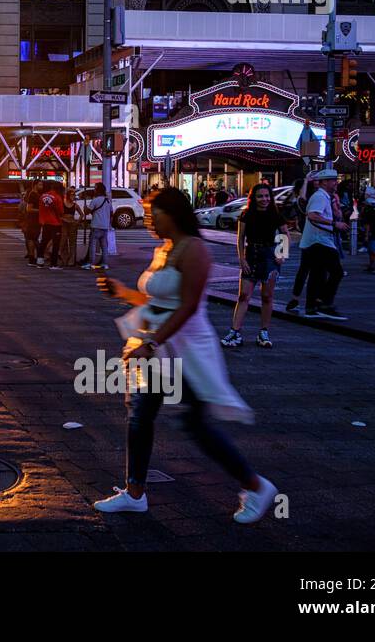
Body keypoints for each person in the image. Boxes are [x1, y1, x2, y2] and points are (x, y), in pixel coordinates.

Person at [95, 189, 276, 523]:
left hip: (186, 348)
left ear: (173, 213)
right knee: (140, 415)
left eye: (154, 213)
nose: (149, 220)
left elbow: (189, 306)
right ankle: (135, 493)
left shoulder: (194, 250)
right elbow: (158, 301)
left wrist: (152, 342)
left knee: (195, 424)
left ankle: (256, 486)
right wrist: (121, 292)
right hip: (159, 345)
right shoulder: (165, 248)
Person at [223, 183, 288, 348]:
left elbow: (285, 233)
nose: (264, 199)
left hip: (269, 257)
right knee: (244, 295)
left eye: (267, 196)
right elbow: (240, 238)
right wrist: (242, 259)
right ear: (254, 198)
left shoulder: (275, 214)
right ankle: (235, 332)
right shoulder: (246, 215)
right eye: (260, 196)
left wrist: (282, 253)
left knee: (267, 297)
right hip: (252, 254)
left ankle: (264, 332)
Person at [299, 169, 348, 320]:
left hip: (317, 241)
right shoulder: (320, 196)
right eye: (333, 180)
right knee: (336, 272)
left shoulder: (326, 197)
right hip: (319, 241)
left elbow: (333, 214)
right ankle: (324, 303)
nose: (336, 183)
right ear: (325, 182)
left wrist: (336, 207)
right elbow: (313, 215)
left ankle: (312, 307)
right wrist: (334, 224)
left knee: (317, 274)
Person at [285, 174, 319, 314]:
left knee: (306, 270)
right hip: (312, 239)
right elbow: (302, 198)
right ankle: (312, 302)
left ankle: (298, 299)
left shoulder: (312, 201)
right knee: (310, 271)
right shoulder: (304, 203)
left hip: (312, 239)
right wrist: (306, 180)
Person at [80, 182, 112, 270]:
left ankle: (91, 263)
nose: (94, 190)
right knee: (104, 246)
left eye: (95, 188)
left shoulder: (95, 200)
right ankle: (105, 263)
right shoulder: (108, 200)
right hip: (105, 226)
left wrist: (85, 208)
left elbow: (87, 212)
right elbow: (111, 213)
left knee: (92, 245)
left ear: (97, 190)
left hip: (96, 225)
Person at [36, 181, 65, 270]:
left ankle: (40, 261)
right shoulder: (57, 197)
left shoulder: (43, 196)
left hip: (45, 222)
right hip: (55, 223)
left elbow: (40, 208)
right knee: (56, 243)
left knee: (44, 241)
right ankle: (53, 264)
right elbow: (61, 212)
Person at [19, 181, 42, 267]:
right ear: (35, 186)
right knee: (32, 239)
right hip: (33, 220)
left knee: (32, 238)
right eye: (40, 184)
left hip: (34, 220)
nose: (42, 186)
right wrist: (41, 211)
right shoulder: (33, 194)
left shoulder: (35, 194)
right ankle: (33, 258)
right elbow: (29, 208)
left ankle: (33, 258)